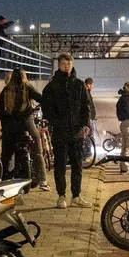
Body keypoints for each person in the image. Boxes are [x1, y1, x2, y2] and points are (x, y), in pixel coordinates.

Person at [41, 53, 92, 209]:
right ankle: (61, 195)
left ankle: (76, 196)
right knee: (60, 165)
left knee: (78, 165)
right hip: (60, 132)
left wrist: (86, 124)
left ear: (72, 64)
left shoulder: (79, 84)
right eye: (64, 64)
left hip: (76, 132)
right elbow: (47, 108)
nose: (67, 66)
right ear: (59, 65)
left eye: (69, 64)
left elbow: (86, 106)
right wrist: (57, 123)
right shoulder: (52, 86)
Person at [0, 68, 47, 189]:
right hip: (25, 124)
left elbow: (1, 111)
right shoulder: (27, 88)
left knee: (6, 156)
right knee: (36, 143)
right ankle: (41, 177)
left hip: (10, 128)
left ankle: (4, 181)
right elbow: (41, 99)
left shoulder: (5, 90)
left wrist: (5, 125)